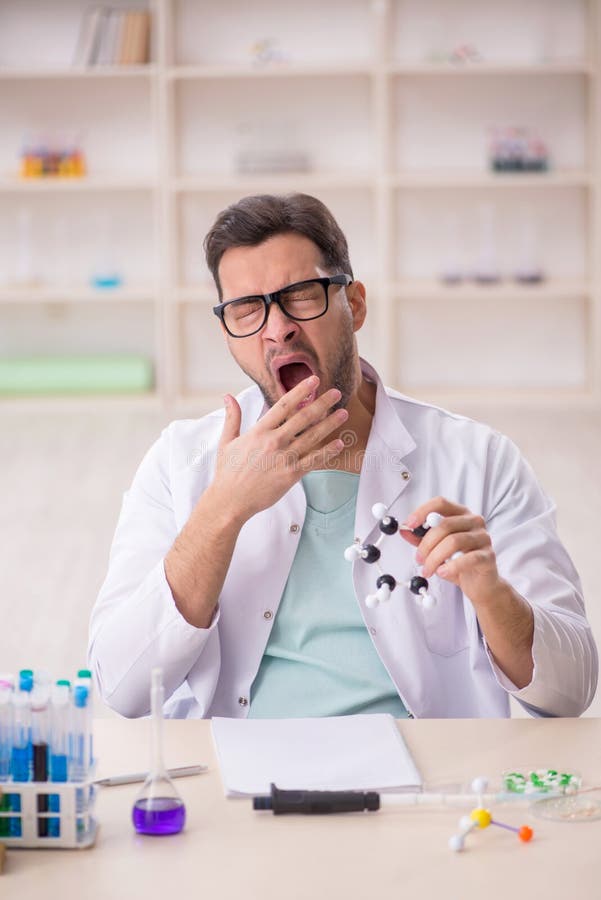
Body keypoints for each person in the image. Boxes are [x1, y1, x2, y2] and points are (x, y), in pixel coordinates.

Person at [89, 193, 597, 719]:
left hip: (424, 782)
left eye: (302, 295)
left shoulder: (479, 459)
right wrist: (222, 510)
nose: (277, 327)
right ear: (227, 333)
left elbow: (571, 691)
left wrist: (492, 596)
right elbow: (122, 686)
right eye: (247, 309)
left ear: (353, 305)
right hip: (238, 777)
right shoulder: (180, 463)